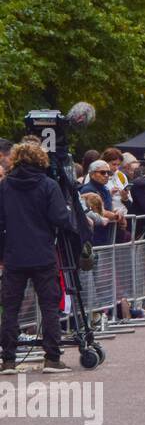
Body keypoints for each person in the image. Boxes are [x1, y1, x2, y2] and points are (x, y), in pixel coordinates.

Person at [0, 143, 80, 372]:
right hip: (43, 254)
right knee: (49, 305)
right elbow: (60, 219)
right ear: (40, 160)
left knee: (10, 308)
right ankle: (52, 358)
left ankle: (8, 359)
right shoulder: (48, 185)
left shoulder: (5, 186)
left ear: (15, 159)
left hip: (14, 255)